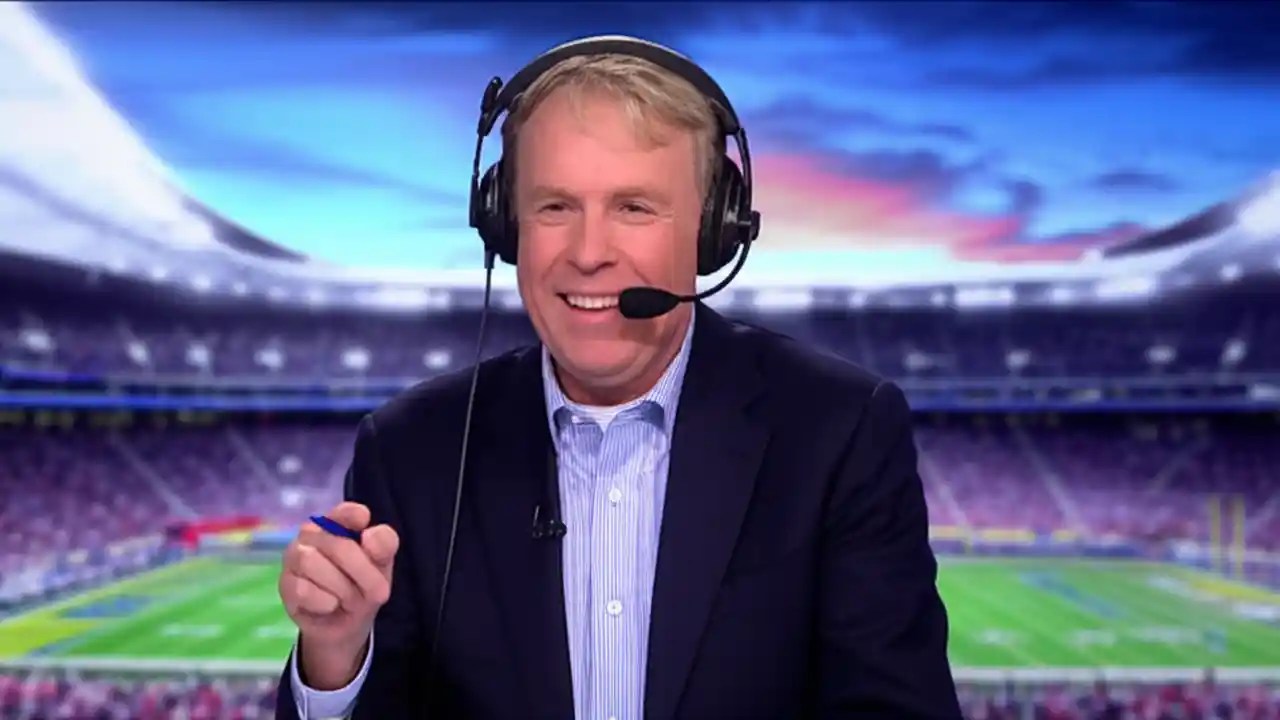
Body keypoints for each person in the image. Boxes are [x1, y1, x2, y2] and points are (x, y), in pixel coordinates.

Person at [275, 35, 960, 719]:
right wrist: (335, 659)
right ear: (504, 224)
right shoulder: (411, 449)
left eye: (634, 207)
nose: (590, 253)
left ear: (713, 227)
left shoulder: (838, 431)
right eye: (554, 207)